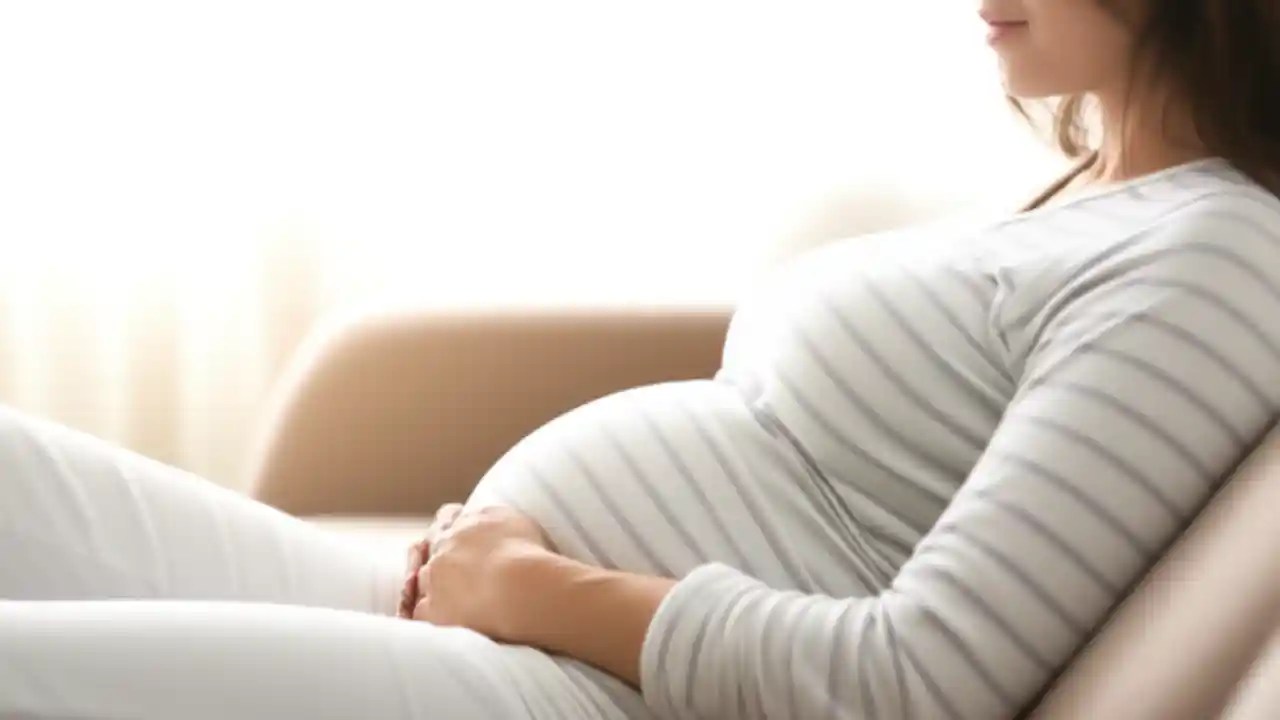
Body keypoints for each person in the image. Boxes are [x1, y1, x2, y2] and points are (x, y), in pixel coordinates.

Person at [4, 1, 1280, 717]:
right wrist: (504, 577)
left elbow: (916, 686)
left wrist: (539, 590)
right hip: (503, 627)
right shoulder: (1101, 193)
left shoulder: (1218, 257)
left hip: (583, 690)